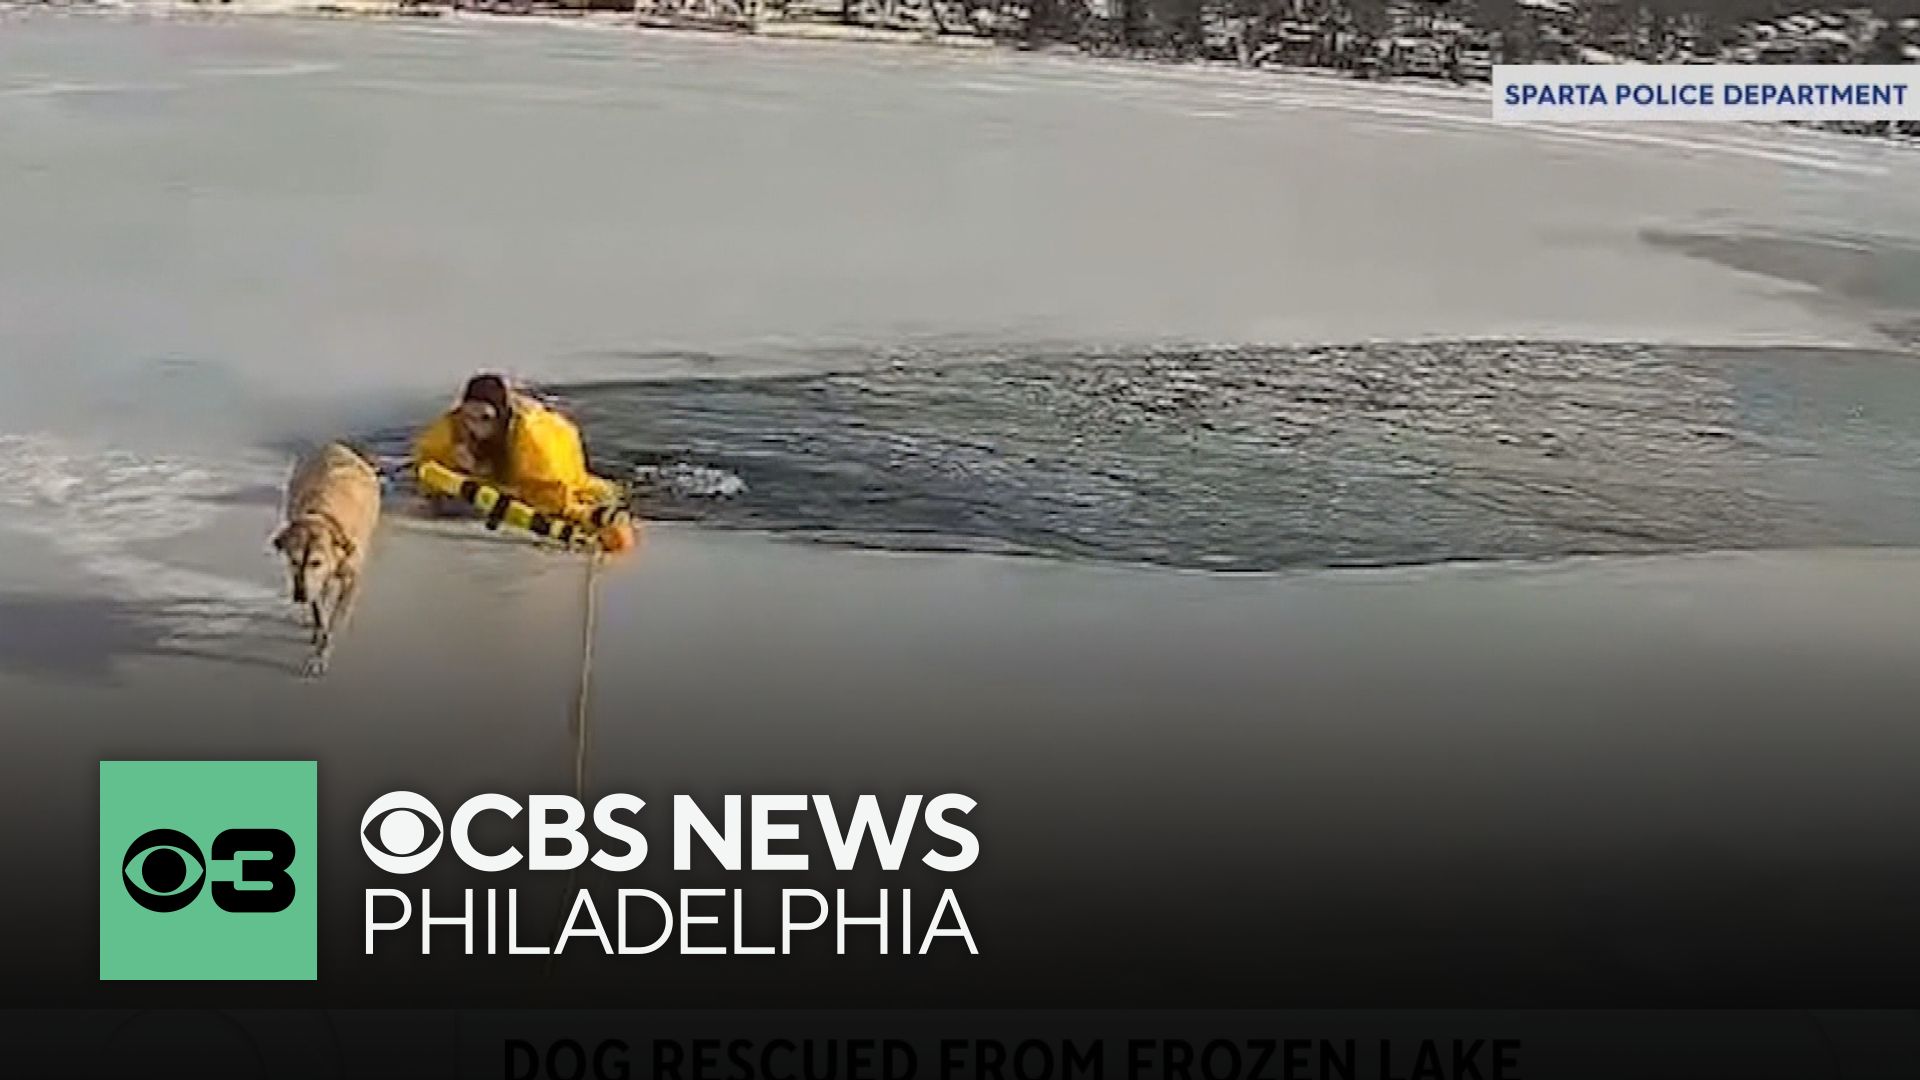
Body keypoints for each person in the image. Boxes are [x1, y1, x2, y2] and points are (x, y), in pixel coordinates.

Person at [413, 373, 634, 551]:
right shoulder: (453, 428)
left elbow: (553, 503)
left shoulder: (534, 441)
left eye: (484, 419)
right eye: (469, 417)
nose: (474, 427)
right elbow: (426, 467)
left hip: (557, 481)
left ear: (501, 416)